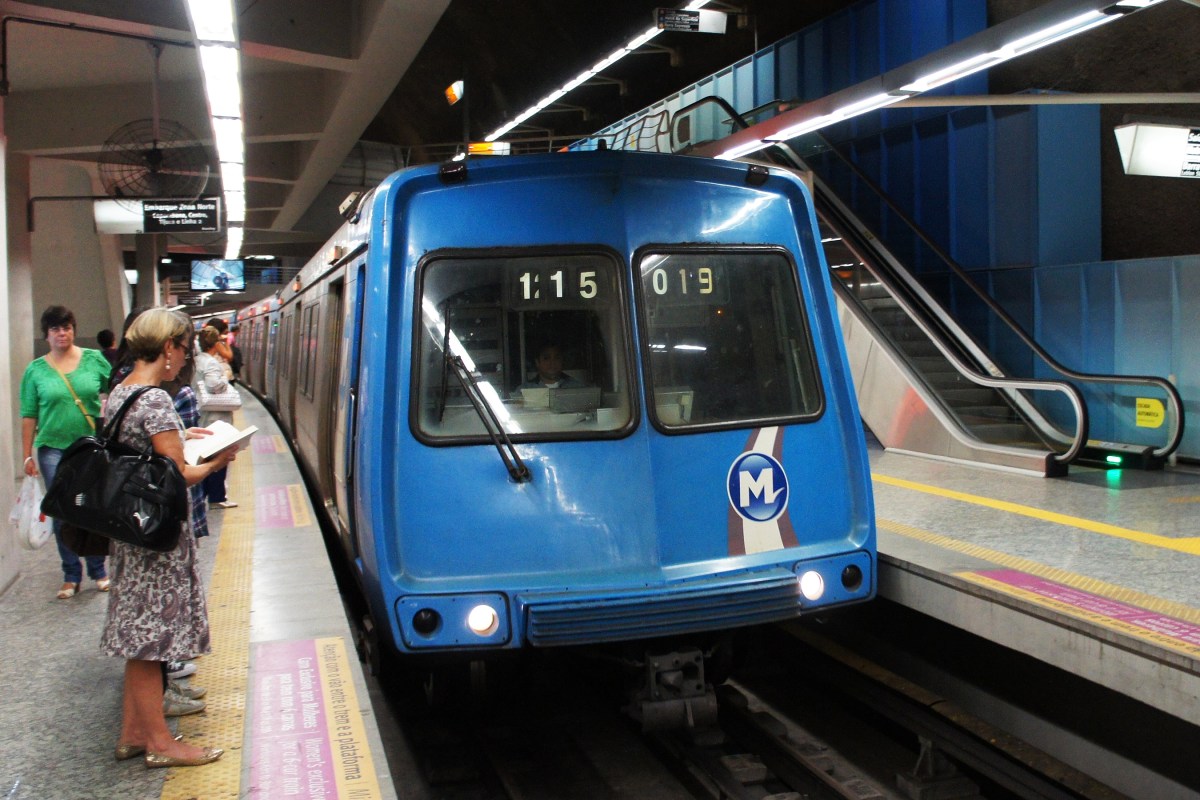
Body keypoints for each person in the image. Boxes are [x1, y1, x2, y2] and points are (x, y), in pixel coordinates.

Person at [102, 307, 236, 768]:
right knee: (150, 642)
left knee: (137, 635)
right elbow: (179, 475)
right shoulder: (156, 399)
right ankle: (162, 744)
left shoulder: (120, 392)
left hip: (128, 535)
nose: (185, 358)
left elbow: (140, 453)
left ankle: (133, 733)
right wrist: (219, 461)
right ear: (167, 348)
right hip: (155, 540)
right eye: (183, 348)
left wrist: (183, 434)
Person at [20, 305, 112, 599]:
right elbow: (28, 414)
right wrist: (26, 455)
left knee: (91, 506)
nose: (63, 333)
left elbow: (119, 391)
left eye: (68, 327)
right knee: (62, 511)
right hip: (52, 449)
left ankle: (98, 569)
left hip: (89, 447)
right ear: (46, 335)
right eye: (56, 329)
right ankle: (71, 574)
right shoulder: (35, 371)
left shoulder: (94, 360)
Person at [195, 326, 238, 509]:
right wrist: (226, 377)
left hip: (203, 412)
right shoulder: (211, 363)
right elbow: (214, 385)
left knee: (205, 455)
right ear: (216, 343)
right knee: (220, 455)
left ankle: (206, 493)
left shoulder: (196, 360)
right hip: (216, 415)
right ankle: (217, 497)